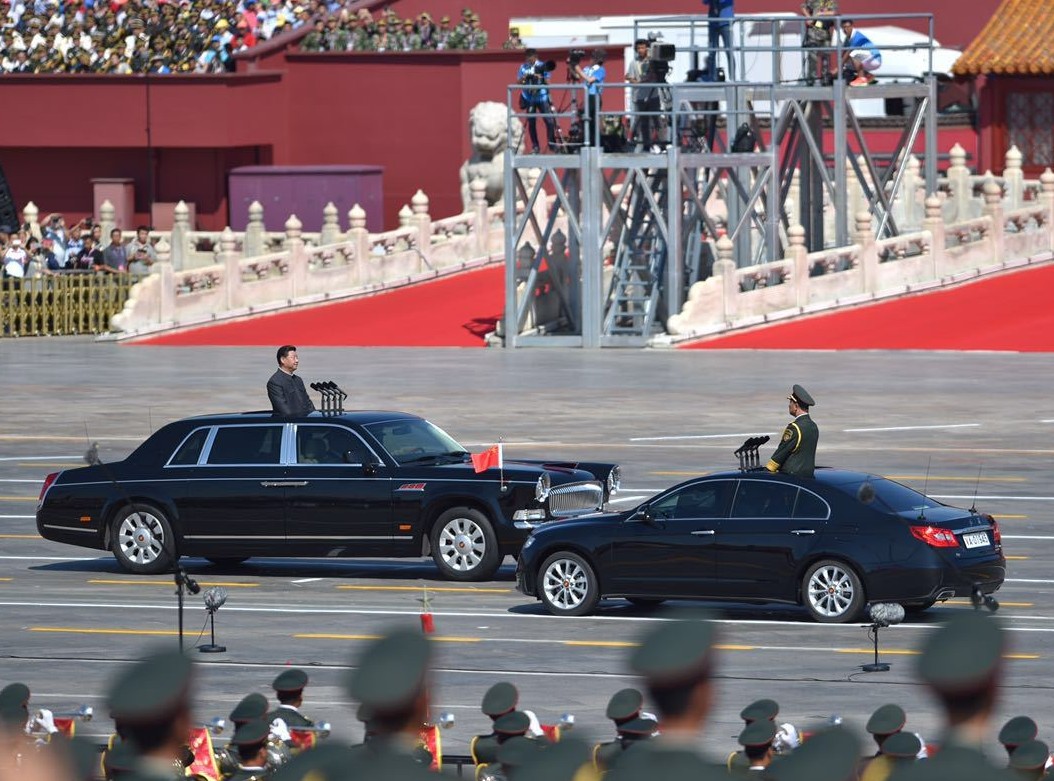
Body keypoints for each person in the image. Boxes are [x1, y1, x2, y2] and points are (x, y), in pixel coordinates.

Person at [765, 384, 818, 478]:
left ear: (796, 406)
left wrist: (767, 471)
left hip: (791, 477)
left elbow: (781, 453)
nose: (789, 405)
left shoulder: (794, 428)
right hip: (807, 476)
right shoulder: (813, 426)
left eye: (790, 402)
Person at [517, 49, 558, 154]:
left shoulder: (542, 66)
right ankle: (535, 146)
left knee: (549, 121)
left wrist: (541, 77)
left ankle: (551, 144)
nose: (528, 59)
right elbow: (518, 82)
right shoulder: (523, 67)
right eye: (526, 57)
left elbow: (548, 82)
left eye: (530, 57)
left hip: (542, 97)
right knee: (531, 123)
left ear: (535, 57)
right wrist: (525, 77)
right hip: (529, 98)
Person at [266, 345, 316, 417]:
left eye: (297, 357)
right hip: (289, 424)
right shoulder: (275, 382)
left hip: (305, 422)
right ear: (282, 360)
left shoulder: (298, 380)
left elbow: (308, 404)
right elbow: (284, 410)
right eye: (293, 358)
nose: (297, 361)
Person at [572, 49, 606, 148]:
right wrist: (573, 66)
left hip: (595, 96)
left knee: (594, 122)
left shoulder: (600, 69)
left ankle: (596, 144)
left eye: (593, 58)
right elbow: (577, 76)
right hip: (587, 97)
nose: (591, 59)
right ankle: (588, 142)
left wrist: (578, 69)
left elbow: (590, 80)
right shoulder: (587, 68)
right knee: (586, 120)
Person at [801, 0, 838, 85]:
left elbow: (833, 12)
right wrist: (808, 17)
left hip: (826, 33)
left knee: (826, 59)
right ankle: (811, 80)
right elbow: (803, 7)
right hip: (813, 33)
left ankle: (824, 80)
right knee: (812, 59)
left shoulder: (831, 1)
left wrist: (820, 14)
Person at [839, 19, 881, 86]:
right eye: (843, 27)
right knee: (847, 64)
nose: (845, 29)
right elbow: (844, 53)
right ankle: (867, 75)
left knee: (853, 54)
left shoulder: (856, 36)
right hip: (867, 59)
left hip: (874, 59)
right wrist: (841, 66)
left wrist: (838, 67)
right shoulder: (847, 38)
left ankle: (861, 78)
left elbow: (848, 52)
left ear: (852, 26)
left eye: (847, 27)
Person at [704, 0, 734, 82]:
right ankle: (712, 78)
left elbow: (727, 2)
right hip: (713, 23)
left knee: (729, 50)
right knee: (712, 52)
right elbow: (705, 2)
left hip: (725, 22)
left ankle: (732, 78)